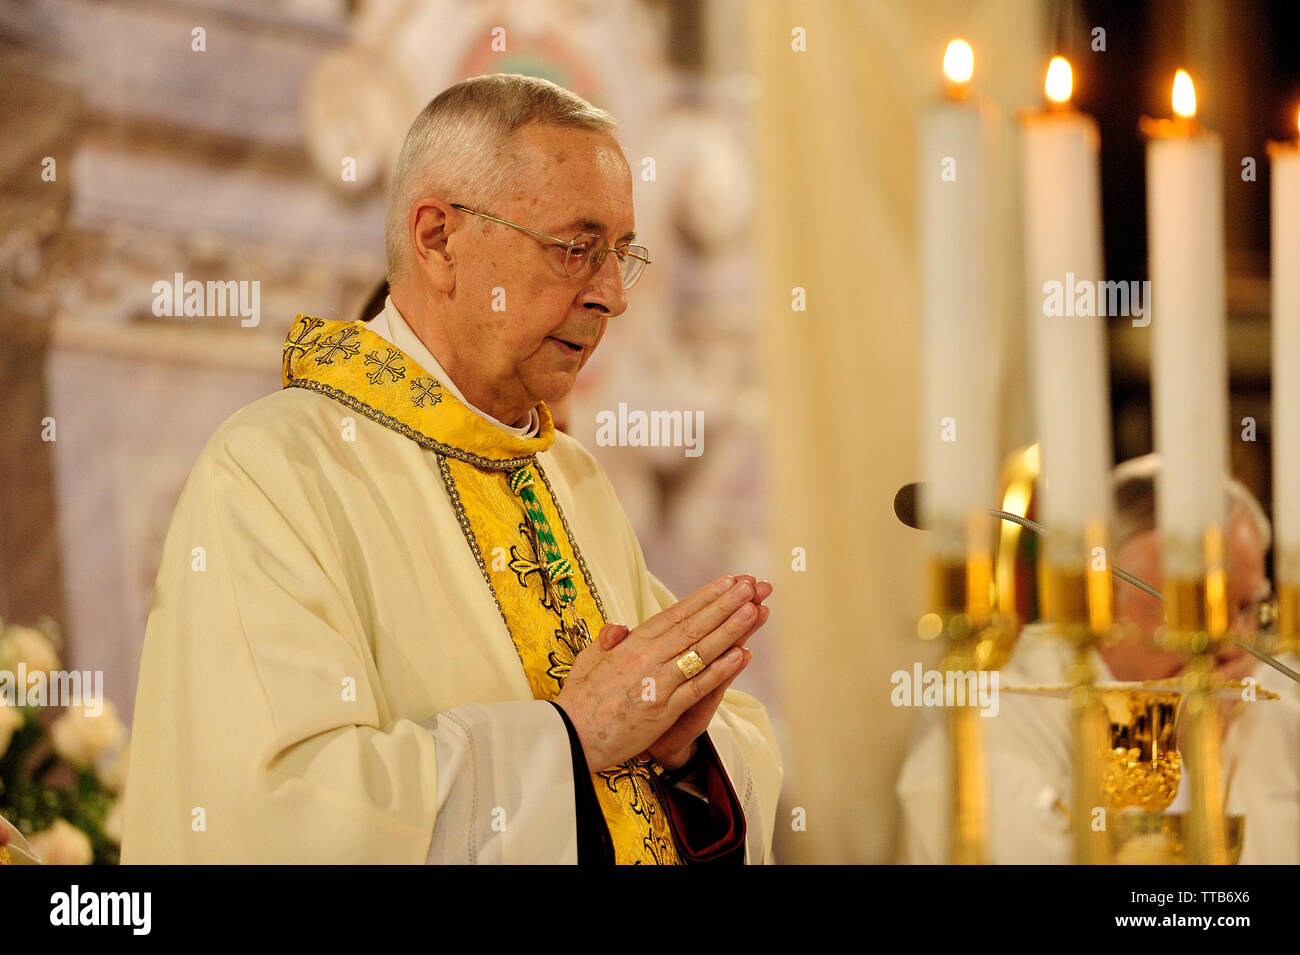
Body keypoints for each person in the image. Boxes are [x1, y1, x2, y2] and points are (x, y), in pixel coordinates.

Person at [122, 74, 782, 864]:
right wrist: (570, 740)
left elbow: (699, 747)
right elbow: (281, 813)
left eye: (621, 254)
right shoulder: (273, 472)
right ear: (438, 240)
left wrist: (681, 748)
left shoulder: (568, 480)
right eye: (576, 248)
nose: (612, 295)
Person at [896, 454, 1299, 864]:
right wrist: (1158, 751)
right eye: (1185, 608)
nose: (1227, 644)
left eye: (1248, 606)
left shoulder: (1279, 694)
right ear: (1099, 597)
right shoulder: (991, 722)